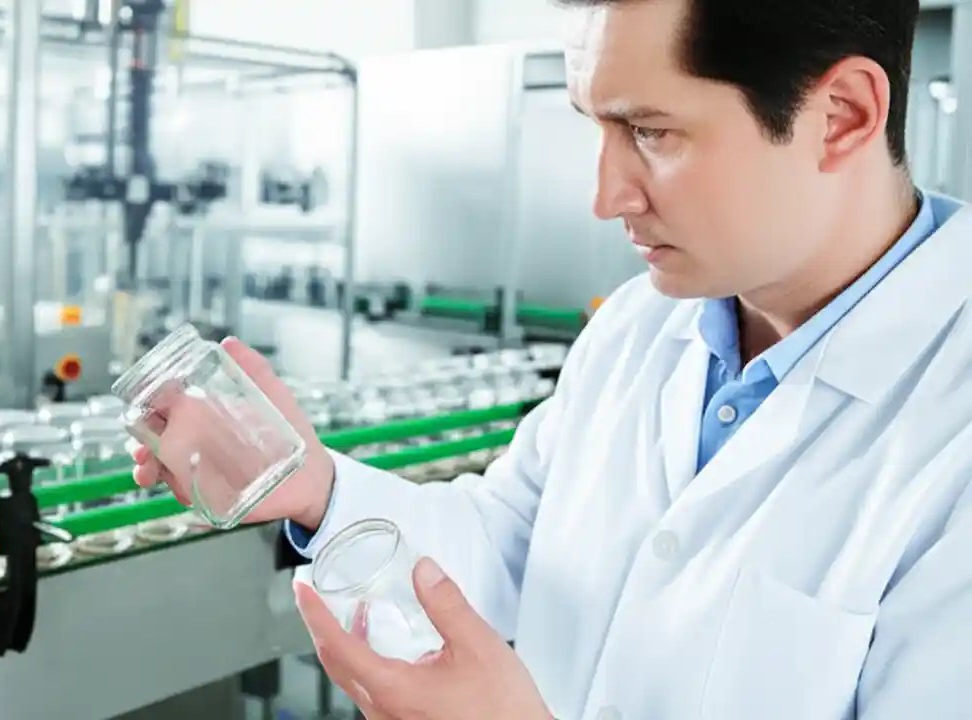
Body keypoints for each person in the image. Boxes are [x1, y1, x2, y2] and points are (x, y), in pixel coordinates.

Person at [133, 0, 972, 717]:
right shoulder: (642, 326)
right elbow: (513, 543)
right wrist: (314, 487)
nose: (604, 196)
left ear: (844, 115)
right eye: (598, 127)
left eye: (651, 131)